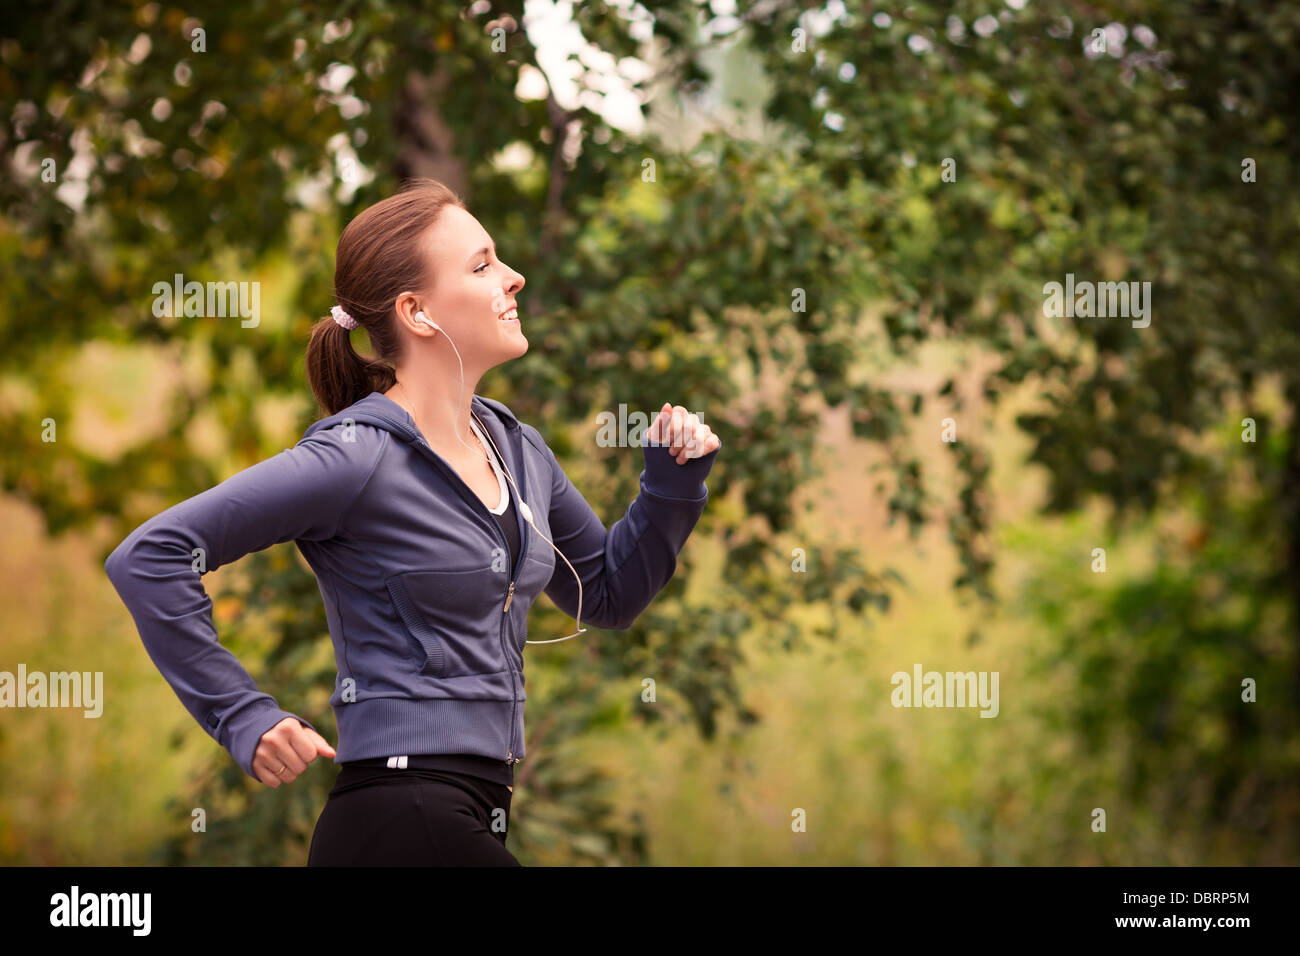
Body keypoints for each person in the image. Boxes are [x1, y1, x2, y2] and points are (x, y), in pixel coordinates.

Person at [104, 178, 721, 866]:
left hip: (475, 809)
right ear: (417, 313)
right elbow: (151, 556)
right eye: (483, 265)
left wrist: (670, 483)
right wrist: (242, 714)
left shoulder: (520, 450)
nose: (514, 279)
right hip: (399, 817)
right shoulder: (353, 457)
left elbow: (605, 594)